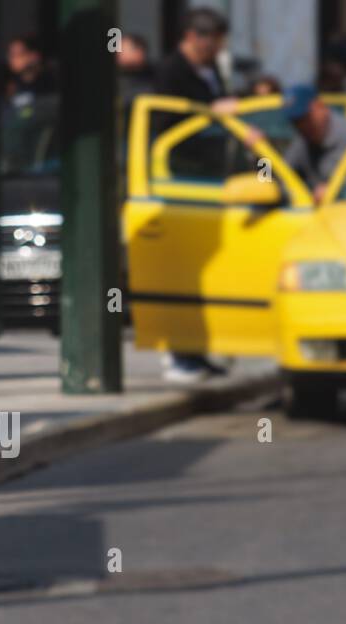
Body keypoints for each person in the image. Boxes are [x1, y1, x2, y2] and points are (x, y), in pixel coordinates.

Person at [153, 6, 235, 383]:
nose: (216, 49)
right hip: (181, 180)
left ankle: (198, 352)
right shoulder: (172, 72)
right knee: (184, 271)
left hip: (210, 179)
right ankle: (180, 354)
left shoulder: (210, 68)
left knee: (207, 272)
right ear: (192, 38)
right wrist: (210, 112)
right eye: (211, 42)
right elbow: (167, 124)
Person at [282, 84, 346, 203]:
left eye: (305, 118)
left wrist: (338, 191)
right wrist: (261, 158)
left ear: (320, 106)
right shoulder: (301, 143)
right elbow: (271, 184)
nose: (301, 126)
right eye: (295, 122)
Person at [6, 34, 56, 99]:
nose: (12, 59)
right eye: (11, 54)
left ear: (34, 56)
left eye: (18, 54)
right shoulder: (12, 87)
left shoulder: (50, 83)